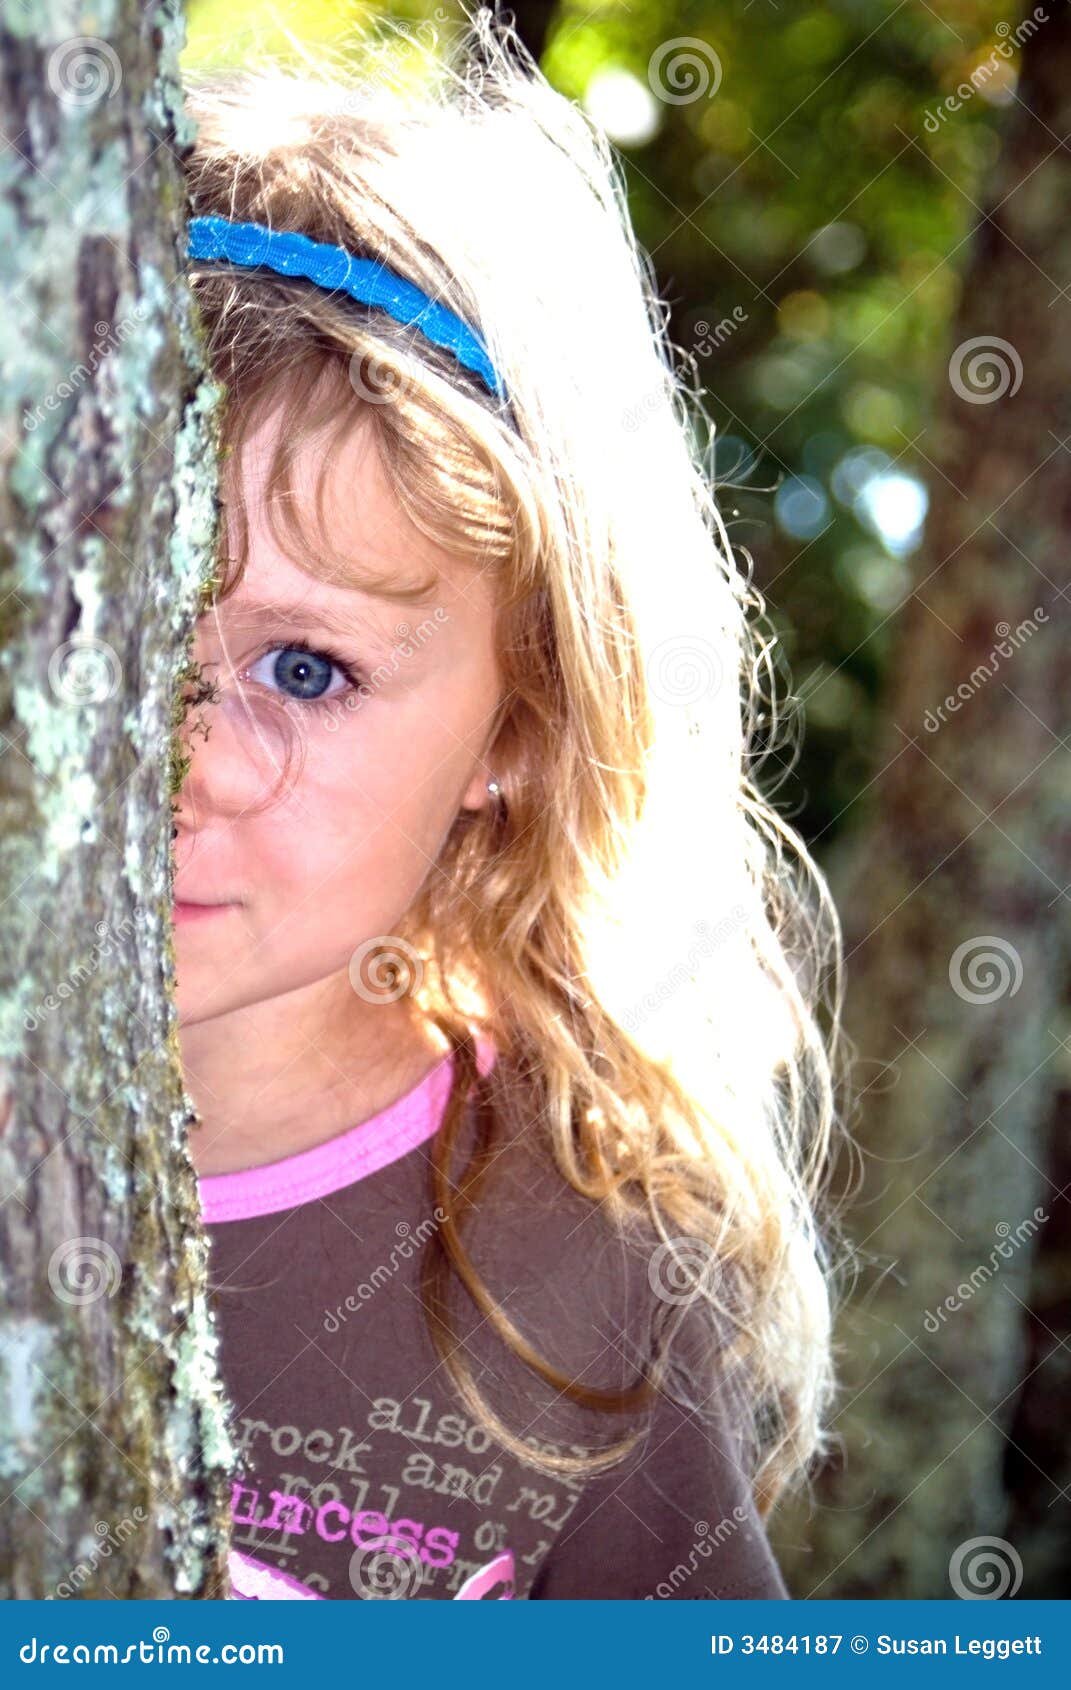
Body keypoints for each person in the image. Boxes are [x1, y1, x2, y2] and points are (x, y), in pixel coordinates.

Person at [172, 7, 846, 1602]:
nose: (179, 754)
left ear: (519, 727)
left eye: (308, 669)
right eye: (100, 624)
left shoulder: (577, 1263)